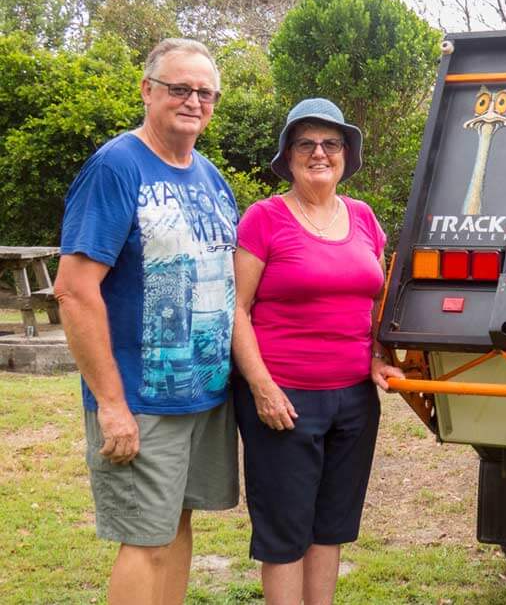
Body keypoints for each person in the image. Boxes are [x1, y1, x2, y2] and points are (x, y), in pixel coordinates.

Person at [54, 38, 239, 605]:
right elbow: (75, 290)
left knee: (176, 524)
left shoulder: (209, 176)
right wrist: (111, 403)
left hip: (202, 394)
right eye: (179, 88)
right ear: (148, 91)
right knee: (144, 540)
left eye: (204, 92)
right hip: (141, 397)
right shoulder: (115, 167)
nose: (193, 101)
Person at [231, 98, 404, 604]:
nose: (319, 153)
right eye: (305, 143)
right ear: (287, 156)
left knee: (331, 527)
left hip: (353, 400)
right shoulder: (264, 219)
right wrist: (262, 386)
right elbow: (236, 310)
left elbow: (376, 298)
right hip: (284, 399)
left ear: (347, 153)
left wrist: (375, 353)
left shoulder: (364, 218)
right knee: (286, 534)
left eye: (331, 143)